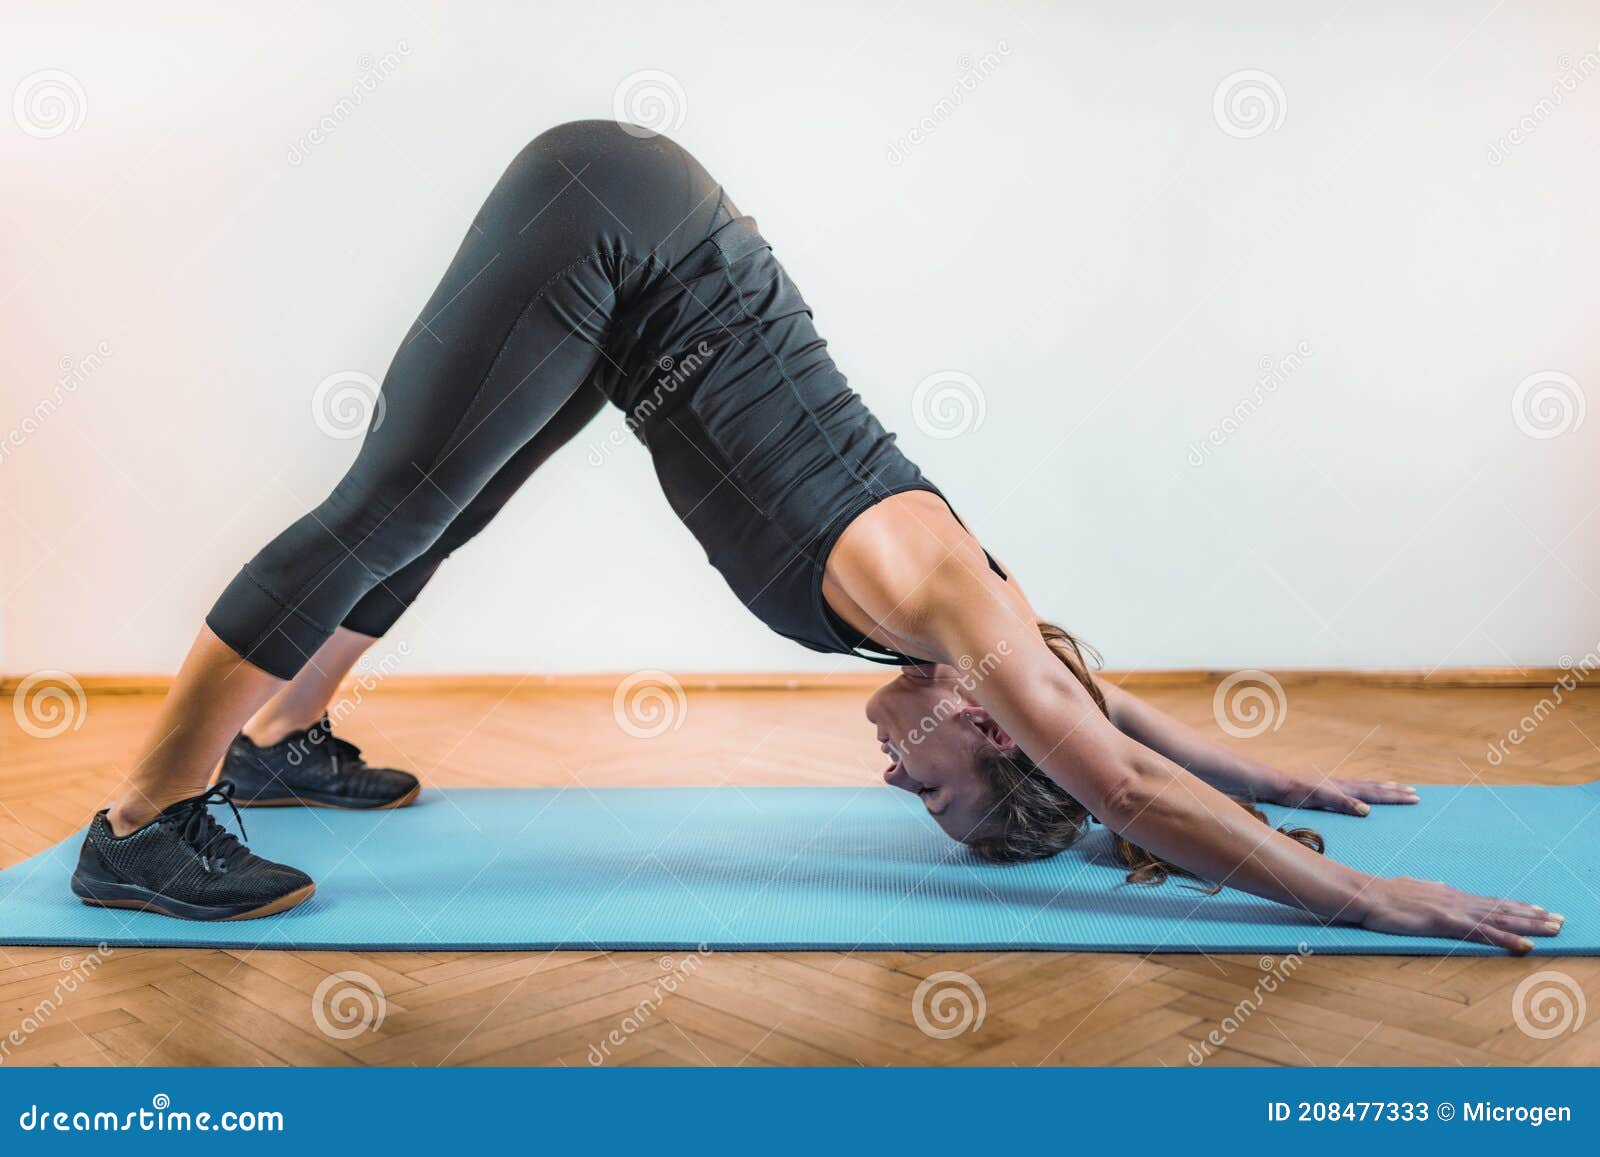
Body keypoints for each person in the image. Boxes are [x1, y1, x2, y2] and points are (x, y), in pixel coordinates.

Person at [71, 121, 1564, 952]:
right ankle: (144, 824)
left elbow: (1109, 730)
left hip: (640, 271)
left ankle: (279, 741)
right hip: (628, 232)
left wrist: (1266, 770)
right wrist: (1367, 899)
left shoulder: (995, 632)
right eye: (941, 793)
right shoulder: (959, 618)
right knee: (387, 504)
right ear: (995, 722)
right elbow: (1112, 770)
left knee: (447, 501)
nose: (898, 777)